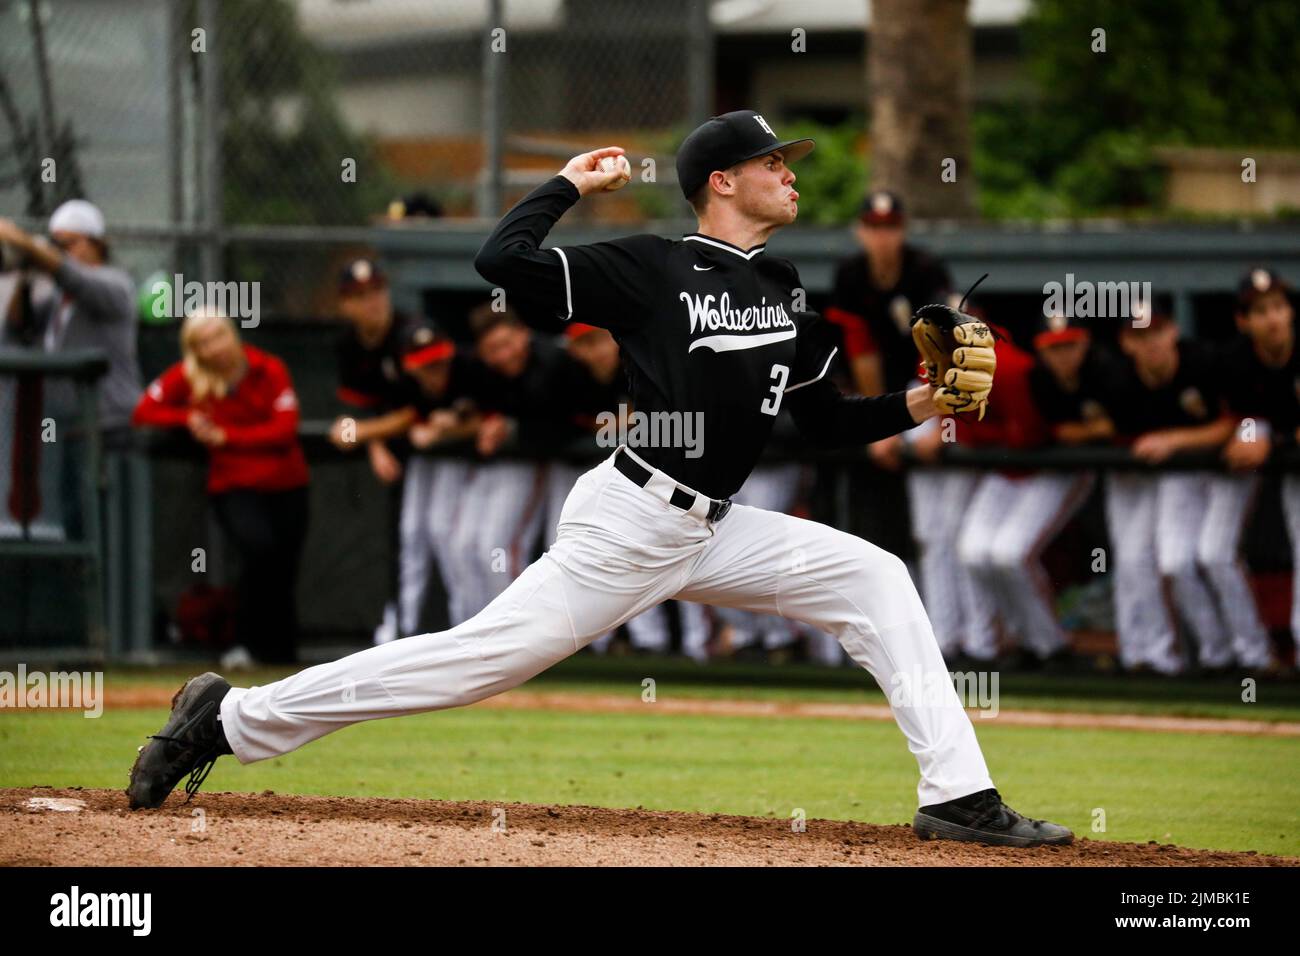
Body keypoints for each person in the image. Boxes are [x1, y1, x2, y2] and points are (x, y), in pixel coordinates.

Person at [127, 110, 1072, 848]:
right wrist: (568, 184)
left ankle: (960, 797)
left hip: (717, 525)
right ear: (722, 181)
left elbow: (823, 423)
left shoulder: (786, 291)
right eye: (775, 161)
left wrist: (924, 401)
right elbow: (501, 260)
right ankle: (231, 718)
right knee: (470, 664)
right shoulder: (650, 268)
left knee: (877, 578)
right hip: (628, 522)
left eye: (790, 161)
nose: (791, 173)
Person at [132, 309, 309, 666]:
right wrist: (187, 417)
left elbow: (284, 429)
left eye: (219, 336)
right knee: (258, 551)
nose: (215, 347)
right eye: (204, 343)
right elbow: (144, 411)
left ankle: (283, 655)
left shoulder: (268, 368)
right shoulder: (189, 377)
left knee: (283, 565)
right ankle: (247, 644)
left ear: (232, 334)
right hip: (234, 484)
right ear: (194, 350)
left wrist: (228, 436)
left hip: (287, 482)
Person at [1105, 305, 1239, 675]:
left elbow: (1235, 423)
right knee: (1169, 561)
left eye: (1157, 333)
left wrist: (1174, 439)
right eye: (1140, 336)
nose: (1151, 344)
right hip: (1170, 476)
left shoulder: (1203, 363)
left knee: (1215, 556)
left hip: (1228, 469)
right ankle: (1206, 655)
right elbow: (1109, 431)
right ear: (1127, 343)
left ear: (1173, 332)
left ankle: (1248, 655)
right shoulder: (1120, 381)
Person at [327, 258, 428, 641]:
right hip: (396, 450)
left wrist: (365, 434)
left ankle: (411, 622)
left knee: (437, 539)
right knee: (405, 538)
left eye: (376, 292)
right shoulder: (348, 342)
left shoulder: (410, 332)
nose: (372, 302)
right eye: (360, 296)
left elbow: (418, 410)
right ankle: (398, 620)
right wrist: (373, 444)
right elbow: (360, 404)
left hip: (441, 446)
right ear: (345, 305)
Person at [1216, 267, 1295, 671]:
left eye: (1279, 307)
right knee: (1213, 550)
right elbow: (1245, 417)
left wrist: (1276, 442)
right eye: (1261, 310)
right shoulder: (1236, 358)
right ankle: (1253, 657)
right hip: (1275, 440)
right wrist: (1249, 433)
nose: (1273, 318)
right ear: (1243, 321)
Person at [391, 323, 481, 637]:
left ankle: (465, 623)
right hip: (424, 464)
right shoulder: (402, 382)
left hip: (473, 463)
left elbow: (484, 418)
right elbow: (390, 417)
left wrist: (449, 426)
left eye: (440, 362)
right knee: (413, 534)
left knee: (451, 536)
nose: (436, 370)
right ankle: (404, 626)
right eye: (427, 366)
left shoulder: (469, 367)